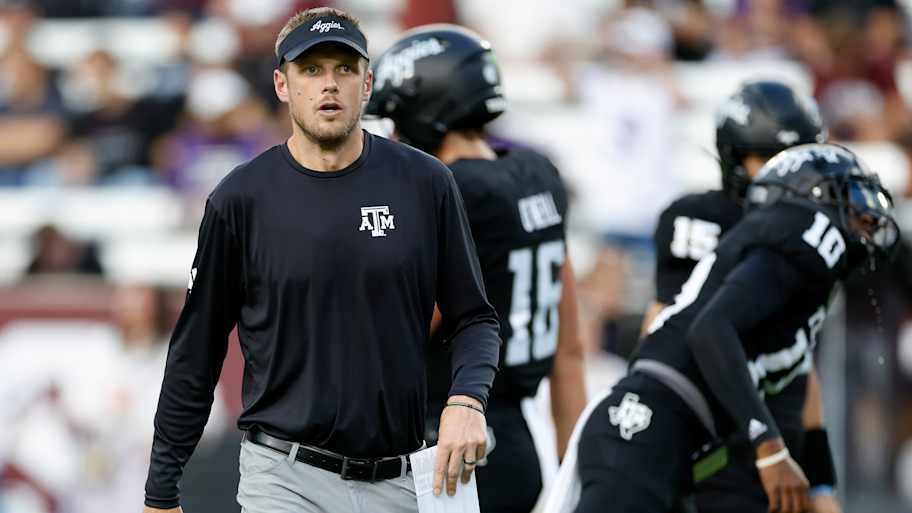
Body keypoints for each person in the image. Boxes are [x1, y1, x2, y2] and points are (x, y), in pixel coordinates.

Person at [141, 7, 501, 513]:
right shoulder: (241, 199)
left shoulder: (425, 183)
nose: (328, 85)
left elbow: (475, 317)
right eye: (311, 70)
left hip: (401, 475)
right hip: (284, 477)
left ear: (368, 82)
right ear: (282, 84)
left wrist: (467, 400)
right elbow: (196, 351)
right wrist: (161, 492)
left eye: (344, 69)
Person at [573, 143, 899, 513]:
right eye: (852, 197)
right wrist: (769, 447)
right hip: (644, 428)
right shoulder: (801, 238)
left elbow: (801, 386)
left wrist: (819, 484)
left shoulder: (797, 292)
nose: (867, 217)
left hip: (681, 446)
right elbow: (709, 329)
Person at [366, 24, 587, 513]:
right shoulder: (538, 175)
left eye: (399, 122)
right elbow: (569, 353)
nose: (395, 137)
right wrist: (576, 476)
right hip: (513, 445)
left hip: (443, 441)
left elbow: (400, 332)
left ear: (428, 112)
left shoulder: (451, 189)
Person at [639, 81, 842, 512]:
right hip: (712, 441)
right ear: (734, 157)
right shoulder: (698, 219)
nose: (788, 172)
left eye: (799, 158)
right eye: (769, 158)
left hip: (779, 446)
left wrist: (822, 483)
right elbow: (661, 329)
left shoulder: (806, 234)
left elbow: (801, 361)